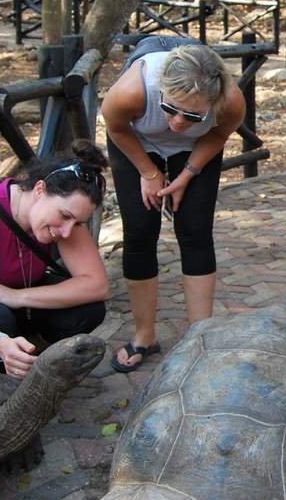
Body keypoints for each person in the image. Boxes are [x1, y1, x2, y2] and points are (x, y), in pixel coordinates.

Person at [102, 37, 246, 373]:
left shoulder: (231, 102)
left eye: (192, 114)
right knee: (140, 229)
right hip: (136, 139)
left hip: (197, 148)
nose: (179, 122)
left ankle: (199, 337)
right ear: (161, 90)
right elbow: (116, 126)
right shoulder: (132, 91)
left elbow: (218, 135)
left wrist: (188, 174)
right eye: (171, 108)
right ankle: (144, 336)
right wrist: (149, 172)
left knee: (194, 230)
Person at [0, 140, 110, 379]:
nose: (68, 231)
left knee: (87, 311)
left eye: (77, 223)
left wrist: (16, 296)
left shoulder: (64, 221)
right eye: (65, 216)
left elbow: (96, 285)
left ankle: (33, 356)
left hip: (12, 301)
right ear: (39, 190)